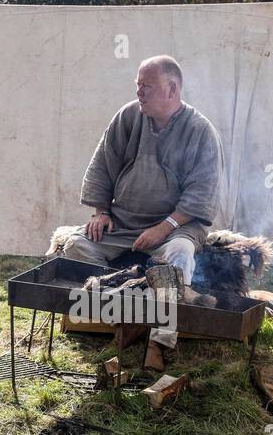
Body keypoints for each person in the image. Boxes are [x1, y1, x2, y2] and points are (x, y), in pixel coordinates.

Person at [61, 55, 224, 370]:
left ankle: (161, 341)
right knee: (75, 246)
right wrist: (100, 211)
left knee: (179, 254)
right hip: (123, 224)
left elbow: (200, 194)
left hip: (176, 228)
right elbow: (102, 166)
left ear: (172, 89)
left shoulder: (200, 130)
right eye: (138, 86)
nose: (139, 93)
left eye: (146, 87)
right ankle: (127, 306)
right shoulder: (127, 117)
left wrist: (164, 228)